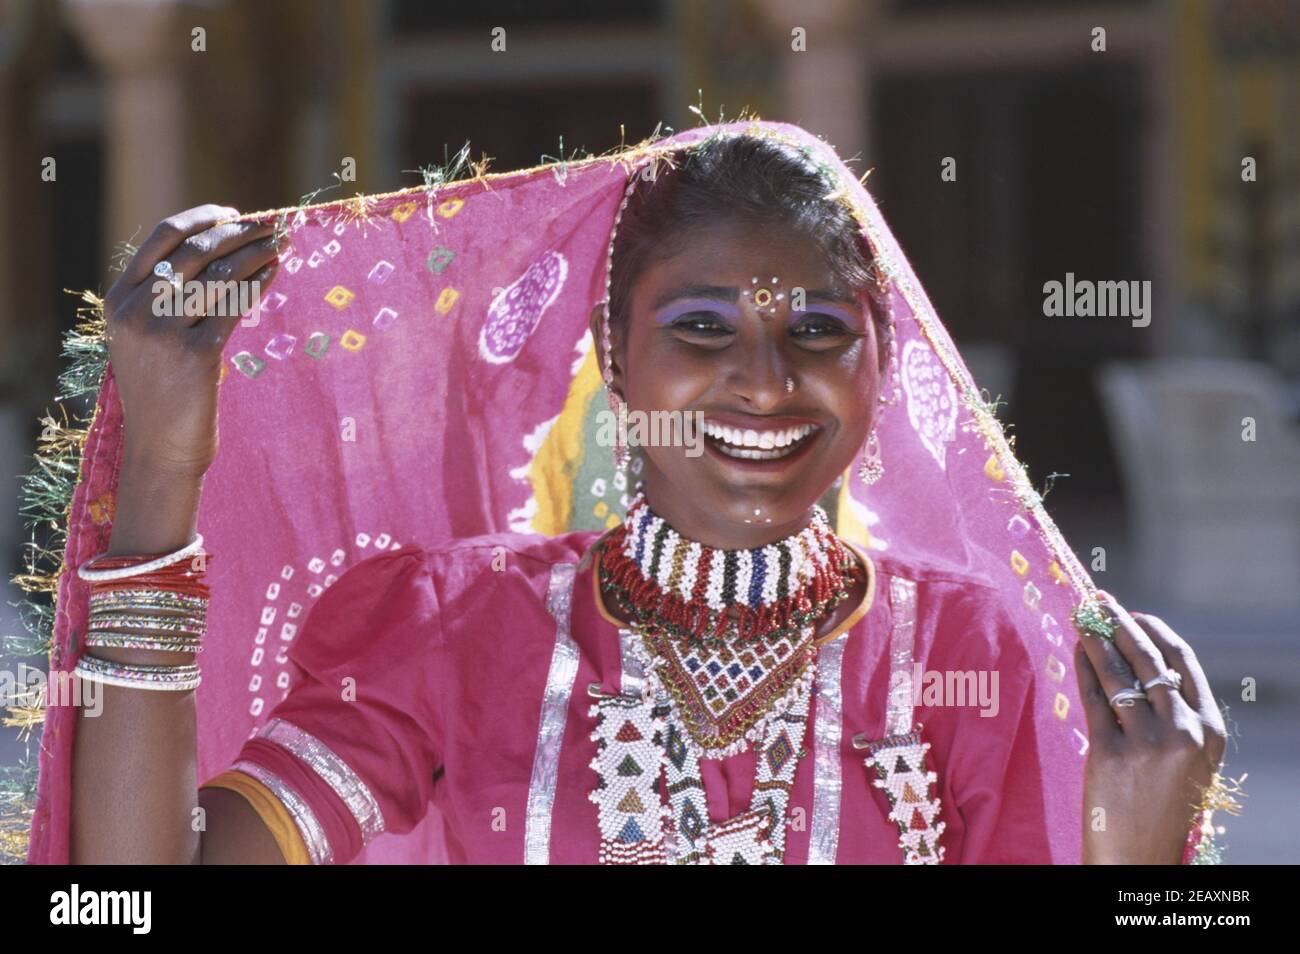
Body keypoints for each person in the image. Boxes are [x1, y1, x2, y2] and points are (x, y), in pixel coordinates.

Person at [60, 124, 1226, 865]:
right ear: (615, 358)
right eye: (701, 328)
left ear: (884, 363)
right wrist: (163, 466)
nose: (764, 382)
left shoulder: (960, 649)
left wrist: (1135, 850)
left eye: (818, 331)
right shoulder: (460, 629)